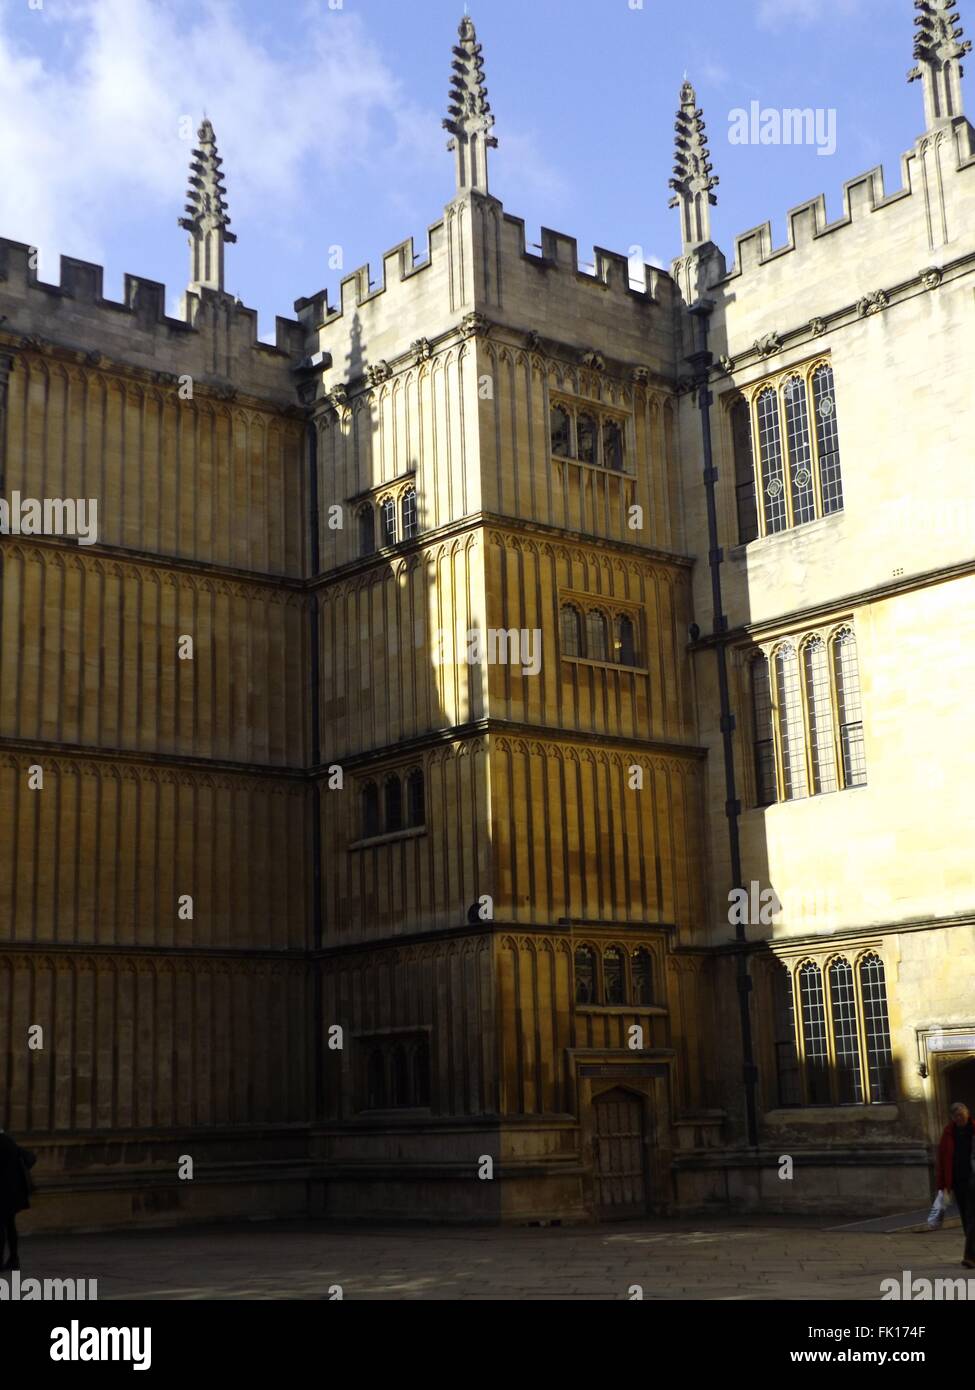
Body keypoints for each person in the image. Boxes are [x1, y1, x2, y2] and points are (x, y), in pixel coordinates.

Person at [935, 1101, 975, 1269]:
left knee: (972, 1217)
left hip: (973, 1179)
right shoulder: (948, 1133)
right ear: (952, 1117)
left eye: (962, 1115)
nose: (960, 1118)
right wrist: (943, 1185)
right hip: (958, 1181)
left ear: (967, 1114)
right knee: (967, 1218)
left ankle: (971, 1256)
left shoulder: (973, 1129)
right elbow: (943, 1159)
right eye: (956, 1116)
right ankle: (971, 1251)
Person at [0, 1128, 36, 1272]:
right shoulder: (10, 1141)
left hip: (1, 1191)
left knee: (0, 1227)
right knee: (10, 1226)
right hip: (14, 1191)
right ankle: (14, 1258)